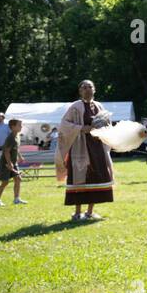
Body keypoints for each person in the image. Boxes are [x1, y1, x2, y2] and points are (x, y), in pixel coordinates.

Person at [57, 81, 115, 220]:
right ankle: (77, 213)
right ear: (80, 91)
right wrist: (81, 128)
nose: (87, 89)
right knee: (79, 178)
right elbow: (64, 124)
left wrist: (103, 127)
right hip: (80, 148)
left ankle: (89, 212)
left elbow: (108, 124)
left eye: (90, 87)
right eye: (84, 87)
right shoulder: (75, 107)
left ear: (94, 90)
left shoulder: (99, 106)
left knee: (96, 176)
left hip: (97, 147)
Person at [0, 118, 27, 207]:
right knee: (5, 182)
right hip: (6, 163)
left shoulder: (17, 136)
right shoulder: (10, 138)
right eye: (19, 125)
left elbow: (16, 148)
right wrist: (9, 163)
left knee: (18, 179)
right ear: (13, 127)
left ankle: (16, 199)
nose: (21, 126)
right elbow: (6, 151)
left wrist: (20, 156)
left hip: (13, 163)